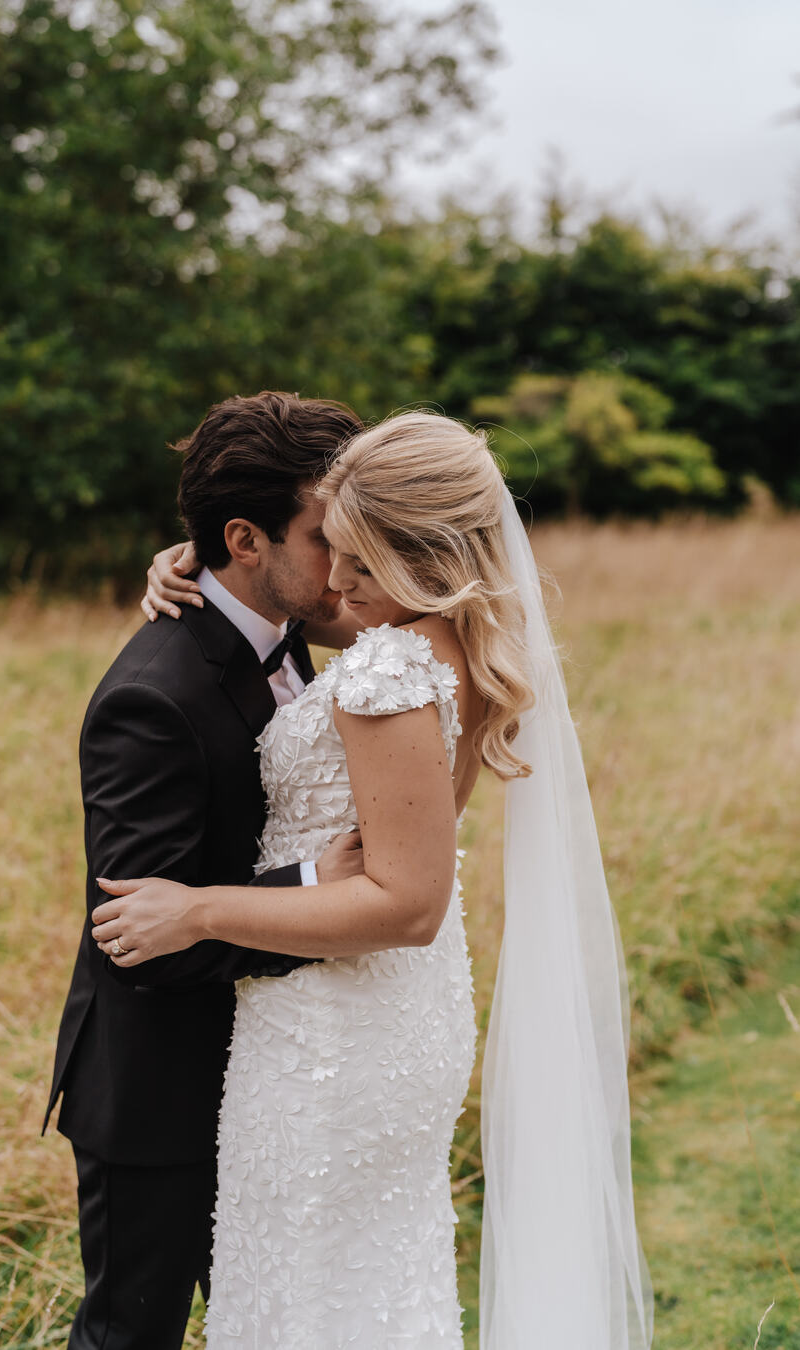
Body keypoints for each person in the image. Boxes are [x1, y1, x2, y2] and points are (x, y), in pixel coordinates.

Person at [93, 411, 654, 1348]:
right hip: (392, 1021)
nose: (335, 587)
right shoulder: (460, 642)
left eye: (353, 557)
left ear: (409, 548)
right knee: (373, 1281)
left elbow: (408, 903)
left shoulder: (387, 667)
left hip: (335, 1033)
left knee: (310, 1292)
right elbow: (266, 568)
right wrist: (189, 555)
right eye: (329, 549)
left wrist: (195, 909)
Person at [44, 391, 374, 1350]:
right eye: (328, 536)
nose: (351, 561)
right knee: (130, 1336)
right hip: (161, 1092)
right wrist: (318, 886)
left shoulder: (288, 623)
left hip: (275, 1068)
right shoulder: (151, 698)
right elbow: (139, 939)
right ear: (245, 538)